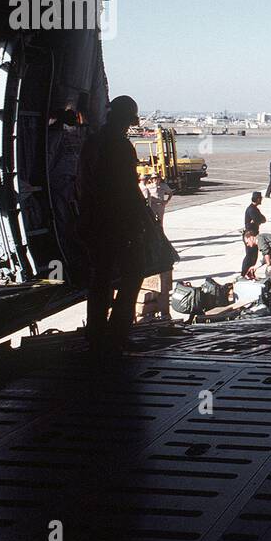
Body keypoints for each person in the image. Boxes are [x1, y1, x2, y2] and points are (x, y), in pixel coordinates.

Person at [75, 95, 154, 355]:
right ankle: (116, 334)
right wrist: (142, 219)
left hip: (93, 222)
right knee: (134, 273)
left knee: (101, 279)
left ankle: (97, 335)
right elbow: (127, 189)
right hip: (117, 223)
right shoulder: (119, 146)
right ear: (124, 119)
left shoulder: (92, 142)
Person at [241, 191, 266, 276]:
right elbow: (259, 220)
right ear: (258, 199)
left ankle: (249, 273)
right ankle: (244, 273)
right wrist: (257, 220)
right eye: (261, 198)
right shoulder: (252, 209)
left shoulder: (255, 209)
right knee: (250, 256)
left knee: (253, 257)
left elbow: (263, 219)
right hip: (250, 235)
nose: (262, 199)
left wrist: (257, 220)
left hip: (253, 234)